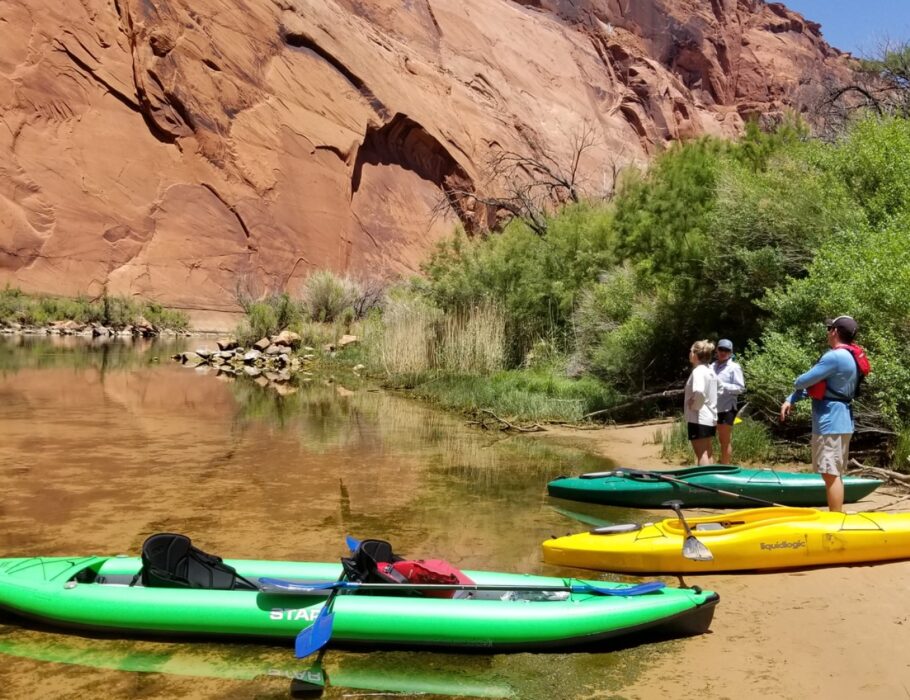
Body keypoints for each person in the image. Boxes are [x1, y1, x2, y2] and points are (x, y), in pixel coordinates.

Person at [779, 316, 860, 513]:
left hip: (830, 422)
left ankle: (835, 519)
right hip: (842, 421)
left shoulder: (834, 357)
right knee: (834, 472)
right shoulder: (849, 356)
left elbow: (801, 382)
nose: (827, 332)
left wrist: (796, 386)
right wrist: (791, 399)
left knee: (830, 474)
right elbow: (819, 387)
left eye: (829, 328)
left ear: (835, 331)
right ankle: (836, 515)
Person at [711, 339, 746, 465]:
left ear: (731, 352)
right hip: (710, 408)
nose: (723, 352)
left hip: (726, 409)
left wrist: (722, 385)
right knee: (707, 440)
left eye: (727, 350)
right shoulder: (711, 366)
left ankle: (725, 468)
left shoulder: (734, 367)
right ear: (716, 350)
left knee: (724, 441)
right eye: (721, 349)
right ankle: (709, 468)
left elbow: (740, 388)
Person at [685, 340, 718, 466]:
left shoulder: (698, 371)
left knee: (702, 454)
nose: (689, 353)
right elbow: (719, 389)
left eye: (691, 351)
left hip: (699, 418)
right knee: (708, 452)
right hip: (710, 417)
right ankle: (711, 477)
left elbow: (699, 392)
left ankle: (703, 479)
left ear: (695, 354)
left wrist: (694, 405)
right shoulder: (710, 371)